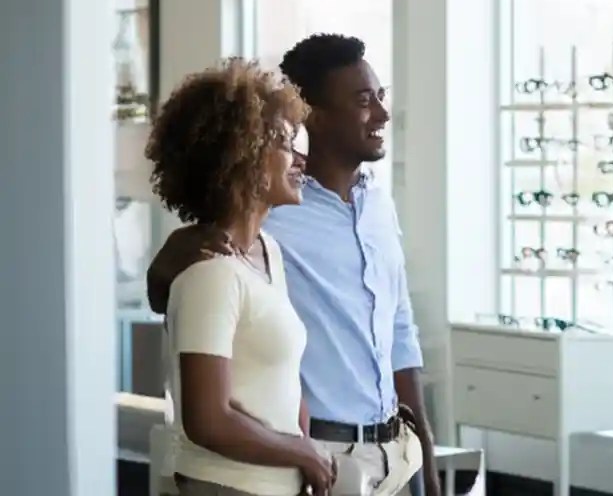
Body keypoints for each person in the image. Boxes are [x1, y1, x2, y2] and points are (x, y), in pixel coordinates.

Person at [147, 34, 440, 496]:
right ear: (314, 118)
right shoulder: (263, 216)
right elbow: (177, 290)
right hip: (312, 460)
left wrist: (424, 441)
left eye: (381, 97)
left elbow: (400, 328)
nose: (382, 114)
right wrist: (172, 259)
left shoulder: (377, 205)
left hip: (393, 456)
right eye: (364, 101)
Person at [146, 59, 335, 495]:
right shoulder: (208, 270)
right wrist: (303, 453)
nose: (303, 157)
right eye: (287, 143)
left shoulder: (268, 252)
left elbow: (282, 381)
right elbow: (207, 421)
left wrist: (302, 448)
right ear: (244, 153)